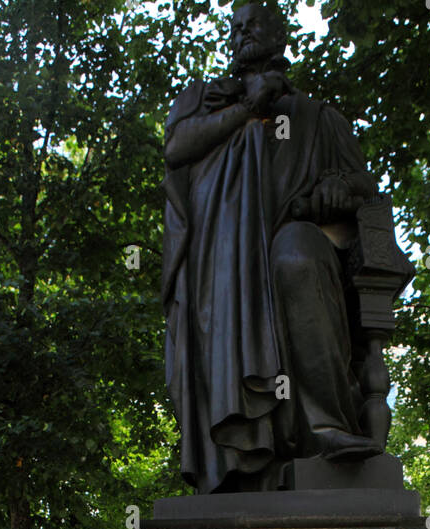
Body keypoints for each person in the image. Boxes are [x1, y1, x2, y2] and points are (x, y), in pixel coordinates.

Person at [162, 1, 384, 494]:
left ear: (281, 36)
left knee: (296, 255)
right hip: (219, 266)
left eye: (254, 24)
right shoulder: (205, 100)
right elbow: (176, 149)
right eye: (235, 27)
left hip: (294, 239)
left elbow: (363, 186)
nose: (242, 33)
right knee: (225, 301)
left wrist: (336, 191)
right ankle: (237, 460)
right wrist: (248, 107)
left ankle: (328, 430)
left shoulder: (318, 118)